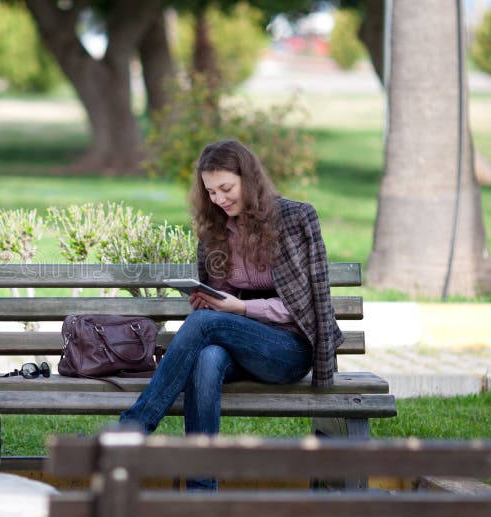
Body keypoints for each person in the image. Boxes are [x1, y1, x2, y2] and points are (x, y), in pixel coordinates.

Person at [117, 139, 344, 490]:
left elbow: (312, 304)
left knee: (206, 326)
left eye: (226, 188)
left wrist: (238, 308)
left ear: (248, 179)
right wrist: (208, 299)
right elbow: (219, 296)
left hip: (288, 348)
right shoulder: (216, 228)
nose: (220, 199)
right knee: (207, 357)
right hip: (235, 341)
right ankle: (200, 495)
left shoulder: (297, 218)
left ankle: (135, 426)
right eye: (211, 192)